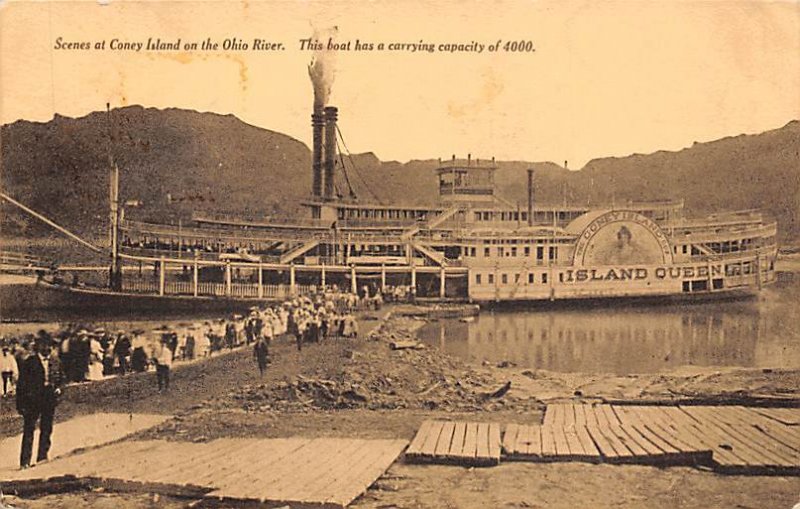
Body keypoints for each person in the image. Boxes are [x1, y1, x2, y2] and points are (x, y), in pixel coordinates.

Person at [16, 335, 63, 468]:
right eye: (44, 345)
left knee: (47, 427)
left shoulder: (55, 361)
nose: (47, 348)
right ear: (38, 347)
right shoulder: (29, 362)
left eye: (49, 346)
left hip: (49, 398)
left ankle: (42, 456)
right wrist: (21, 405)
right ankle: (25, 461)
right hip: (33, 400)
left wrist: (58, 388)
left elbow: (61, 378)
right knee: (29, 429)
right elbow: (21, 384)